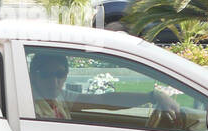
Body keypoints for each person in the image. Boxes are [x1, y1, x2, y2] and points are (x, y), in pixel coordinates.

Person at [29, 50, 180, 122]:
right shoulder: (28, 102)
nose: (54, 82)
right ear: (34, 76)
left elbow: (104, 100)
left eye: (59, 74)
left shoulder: (60, 97)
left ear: (66, 75)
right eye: (45, 75)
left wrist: (152, 96)